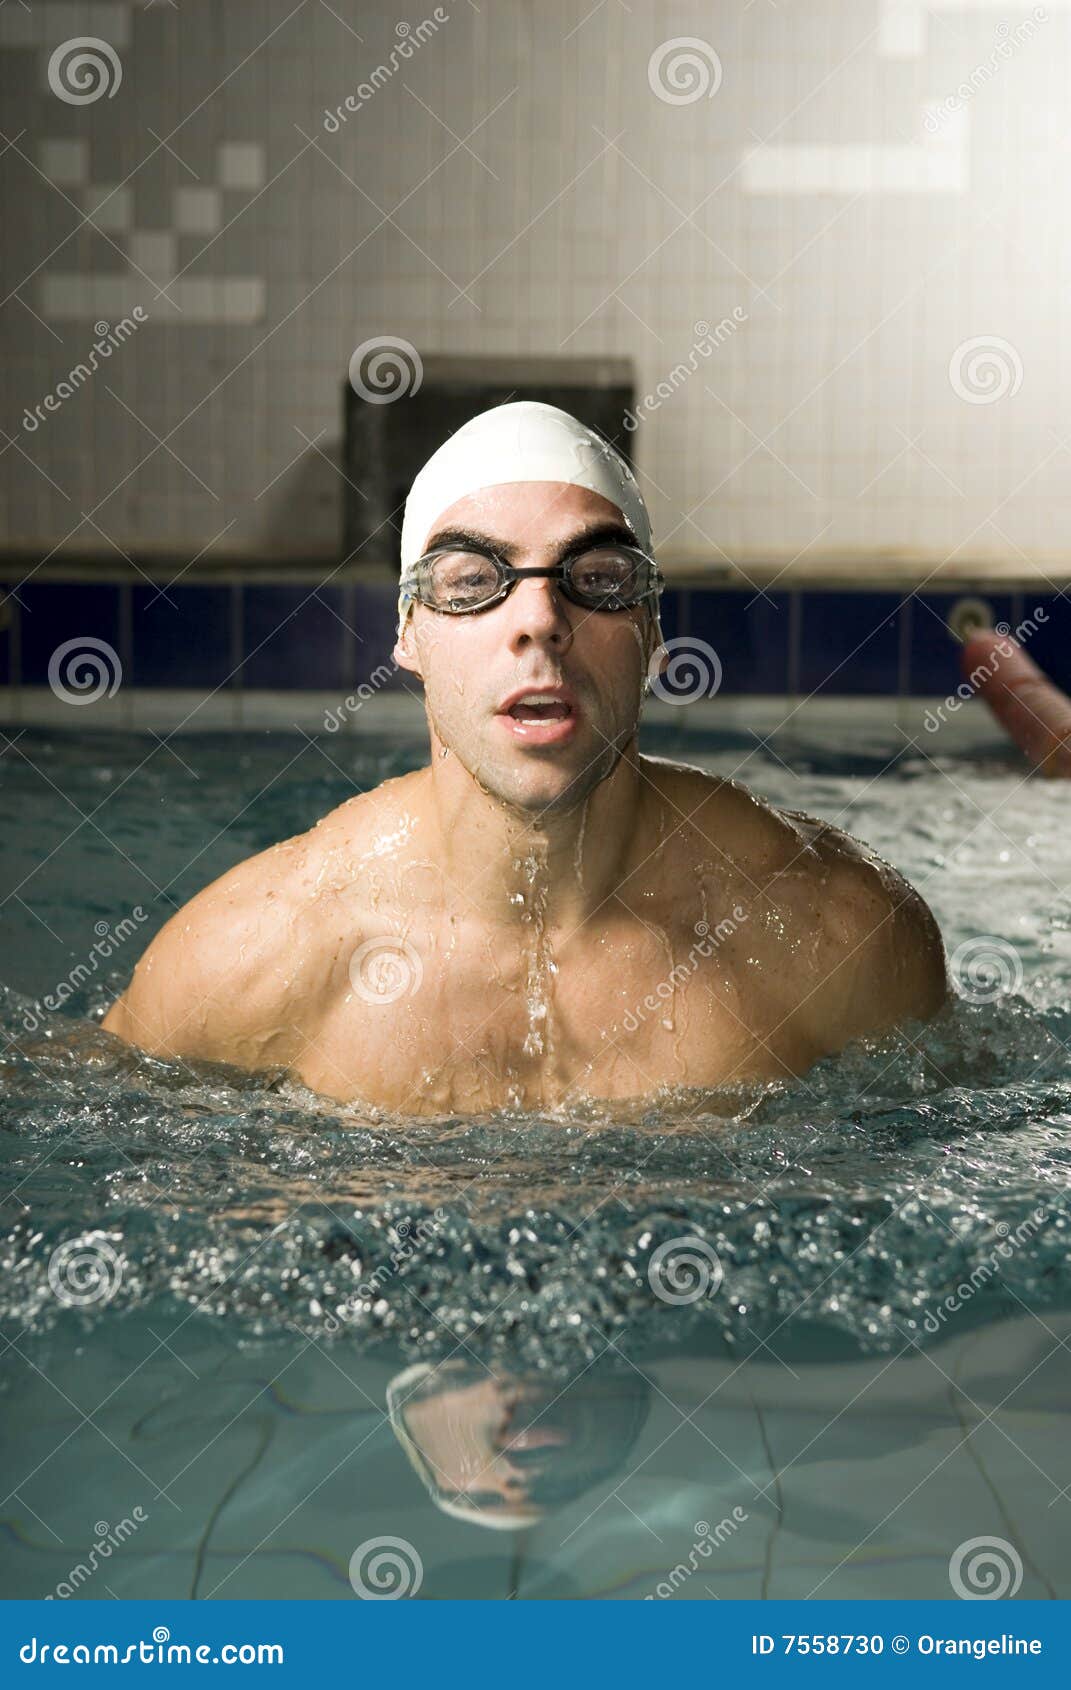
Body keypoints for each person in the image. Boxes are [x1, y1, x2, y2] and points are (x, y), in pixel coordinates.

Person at [102, 401, 947, 1114]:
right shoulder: (246, 957)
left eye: (599, 578)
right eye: (471, 583)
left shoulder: (835, 937)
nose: (539, 619)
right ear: (407, 633)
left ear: (652, 629)